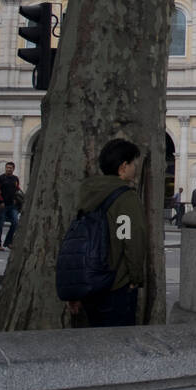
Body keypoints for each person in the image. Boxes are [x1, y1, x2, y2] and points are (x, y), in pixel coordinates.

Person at [67, 138, 147, 327]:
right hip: (116, 283)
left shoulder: (87, 192)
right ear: (123, 167)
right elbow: (131, 240)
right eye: (133, 163)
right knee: (118, 338)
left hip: (88, 280)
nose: (135, 168)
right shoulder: (125, 197)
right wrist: (135, 278)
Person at [0, 161, 21, 250]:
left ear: (13, 169)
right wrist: (1, 202)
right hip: (2, 205)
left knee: (15, 222)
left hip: (12, 205)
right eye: (7, 167)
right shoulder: (0, 178)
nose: (9, 169)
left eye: (10, 168)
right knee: (0, 224)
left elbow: (17, 189)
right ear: (5, 168)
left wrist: (16, 199)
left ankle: (8, 242)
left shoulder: (15, 179)